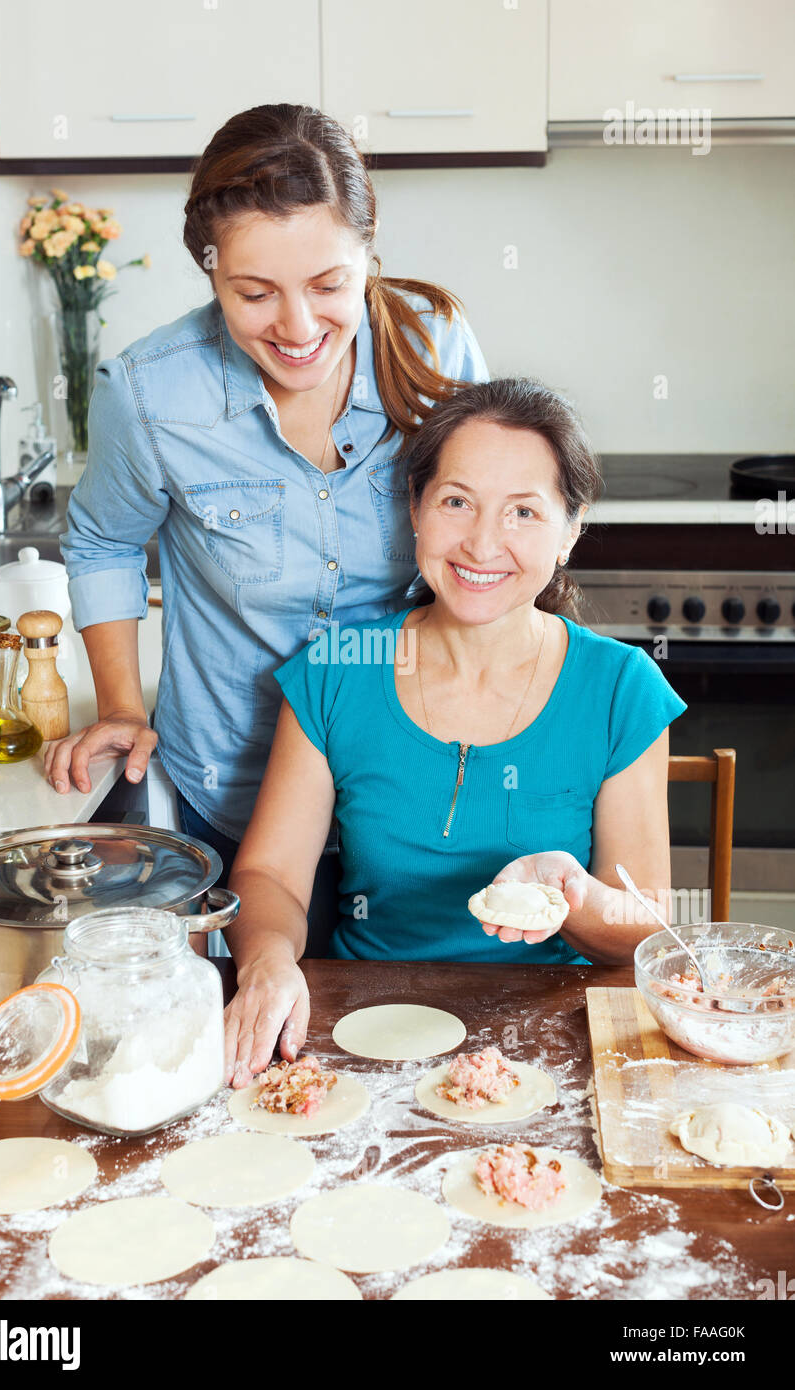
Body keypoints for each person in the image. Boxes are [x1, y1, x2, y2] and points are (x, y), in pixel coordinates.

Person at [50, 104, 488, 948]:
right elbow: (103, 540)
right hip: (234, 783)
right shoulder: (150, 394)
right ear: (209, 274)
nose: (297, 328)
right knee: (260, 1028)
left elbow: (488, 532)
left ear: (367, 253)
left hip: (409, 776)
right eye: (254, 293)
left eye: (330, 286)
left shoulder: (439, 350)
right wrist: (117, 703)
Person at [220, 377, 687, 1087]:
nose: (482, 543)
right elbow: (270, 874)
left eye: (525, 512)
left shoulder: (621, 689)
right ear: (416, 507)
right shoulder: (338, 670)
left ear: (570, 530)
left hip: (550, 1035)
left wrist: (571, 895)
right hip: (361, 1027)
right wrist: (266, 962)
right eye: (457, 501)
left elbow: (646, 923)